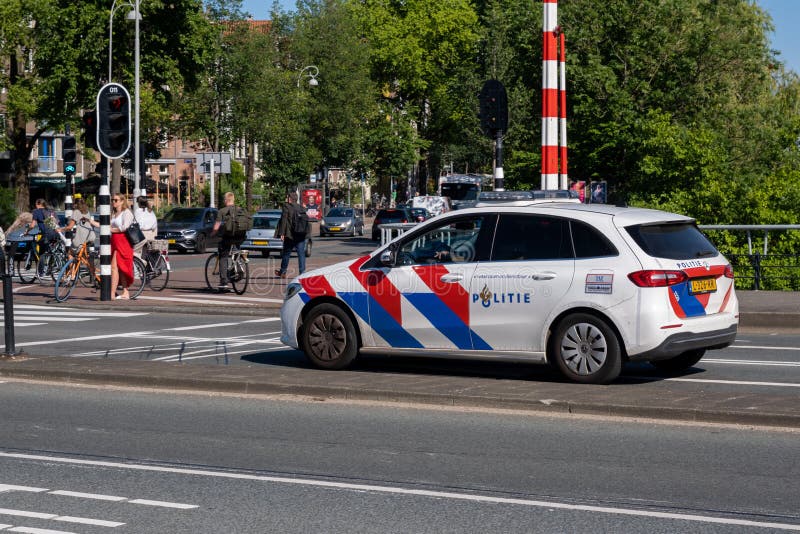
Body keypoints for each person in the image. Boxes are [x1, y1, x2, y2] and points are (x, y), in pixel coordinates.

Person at [211, 191, 246, 291]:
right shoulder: (241, 210)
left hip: (228, 237)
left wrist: (212, 234)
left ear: (226, 200)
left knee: (223, 256)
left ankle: (224, 281)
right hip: (240, 237)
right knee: (236, 253)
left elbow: (217, 226)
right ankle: (238, 270)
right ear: (233, 200)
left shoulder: (222, 211)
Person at [274, 192, 308, 279]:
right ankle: (302, 273)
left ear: (290, 199)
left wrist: (282, 233)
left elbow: (284, 220)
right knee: (301, 254)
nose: (286, 199)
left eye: (287, 197)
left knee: (286, 253)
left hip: (290, 235)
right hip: (301, 235)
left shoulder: (286, 207)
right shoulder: (301, 207)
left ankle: (283, 271)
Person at [110, 194, 135, 300]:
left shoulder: (127, 213)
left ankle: (111, 293)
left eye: (116, 200)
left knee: (114, 267)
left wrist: (111, 230)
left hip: (123, 242)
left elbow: (125, 227)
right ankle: (125, 292)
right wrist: (90, 221)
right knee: (120, 268)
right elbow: (107, 226)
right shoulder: (114, 214)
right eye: (112, 200)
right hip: (115, 241)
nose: (113, 202)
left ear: (122, 201)